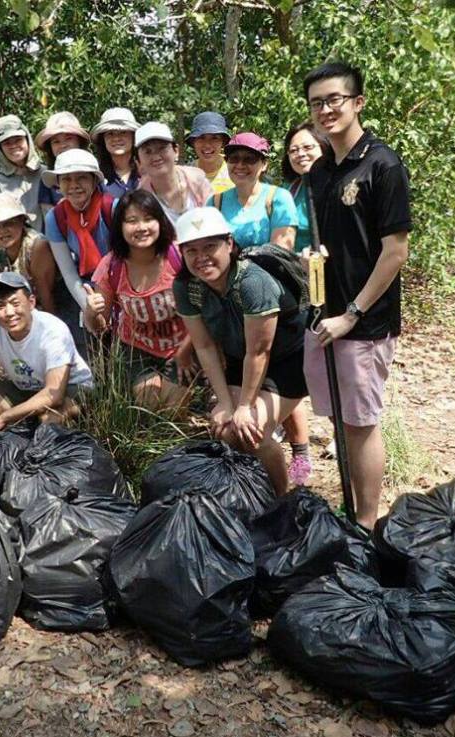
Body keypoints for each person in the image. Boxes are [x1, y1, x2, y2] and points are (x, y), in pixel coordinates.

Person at [303, 61, 411, 528]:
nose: (325, 110)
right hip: (324, 316)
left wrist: (352, 312)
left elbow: (395, 252)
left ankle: (366, 524)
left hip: (362, 321)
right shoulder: (322, 170)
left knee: (361, 424)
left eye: (334, 100)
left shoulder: (382, 164)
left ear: (357, 102)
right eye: (316, 103)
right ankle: (350, 513)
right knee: (339, 420)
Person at [173, 207, 307, 495]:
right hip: (238, 356)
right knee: (225, 430)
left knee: (251, 434)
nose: (201, 257)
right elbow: (205, 345)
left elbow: (260, 352)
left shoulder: (252, 282)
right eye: (191, 250)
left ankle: (284, 498)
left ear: (229, 244)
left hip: (287, 360)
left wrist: (244, 407)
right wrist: (224, 403)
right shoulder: (186, 286)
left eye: (210, 246)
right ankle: (255, 491)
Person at [82, 190, 196, 411]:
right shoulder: (111, 266)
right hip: (137, 351)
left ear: (160, 221)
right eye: (132, 221)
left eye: (148, 218)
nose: (142, 227)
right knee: (149, 404)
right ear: (120, 227)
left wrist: (186, 350)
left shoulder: (179, 256)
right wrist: (90, 313)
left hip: (183, 347)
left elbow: (204, 311)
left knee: (173, 409)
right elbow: (100, 327)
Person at [0, 272, 93, 440]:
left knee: (47, 423)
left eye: (15, 303)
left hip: (71, 388)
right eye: (0, 306)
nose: (9, 312)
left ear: (31, 302)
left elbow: (53, 395)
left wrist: (5, 418)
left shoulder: (52, 329)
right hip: (24, 388)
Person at [42, 149, 115, 356]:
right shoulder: (55, 218)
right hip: (86, 288)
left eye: (81, 178)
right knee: (91, 351)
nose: (74, 185)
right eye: (66, 179)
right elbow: (68, 273)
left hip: (120, 286)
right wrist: (90, 309)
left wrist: (106, 305)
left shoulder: (112, 209)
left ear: (94, 181)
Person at [30, 111, 93, 315]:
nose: (63, 144)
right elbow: (53, 224)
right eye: (56, 141)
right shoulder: (48, 187)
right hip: (65, 260)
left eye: (68, 138)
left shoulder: (107, 200)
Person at [209, 132, 298, 252]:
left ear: (264, 164)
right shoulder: (215, 202)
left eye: (249, 159)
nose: (240, 165)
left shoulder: (278, 198)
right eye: (234, 159)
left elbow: (281, 252)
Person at [136, 122, 213, 226]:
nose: (156, 157)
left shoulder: (198, 182)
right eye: (148, 152)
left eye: (162, 148)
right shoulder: (140, 199)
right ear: (138, 160)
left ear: (176, 150)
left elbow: (215, 221)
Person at [0, 114, 45, 229]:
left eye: (18, 140)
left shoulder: (46, 174)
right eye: (7, 143)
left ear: (27, 140)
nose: (13, 146)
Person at [0, 192, 44, 290]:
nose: (2, 231)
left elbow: (44, 291)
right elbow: (2, 286)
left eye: (8, 223)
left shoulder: (37, 245)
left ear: (21, 221)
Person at [281, 121, 331, 253]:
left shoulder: (339, 185)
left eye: (307, 147)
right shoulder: (288, 191)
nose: (301, 154)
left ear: (324, 146)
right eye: (293, 150)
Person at [91, 107, 141, 199]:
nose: (116, 138)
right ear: (103, 140)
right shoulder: (96, 177)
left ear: (133, 137)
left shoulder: (146, 171)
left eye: (123, 132)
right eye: (110, 134)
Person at [185, 111, 235, 193]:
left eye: (214, 138)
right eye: (201, 138)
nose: (207, 145)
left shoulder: (235, 172)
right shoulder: (185, 175)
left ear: (222, 142)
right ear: (193, 142)